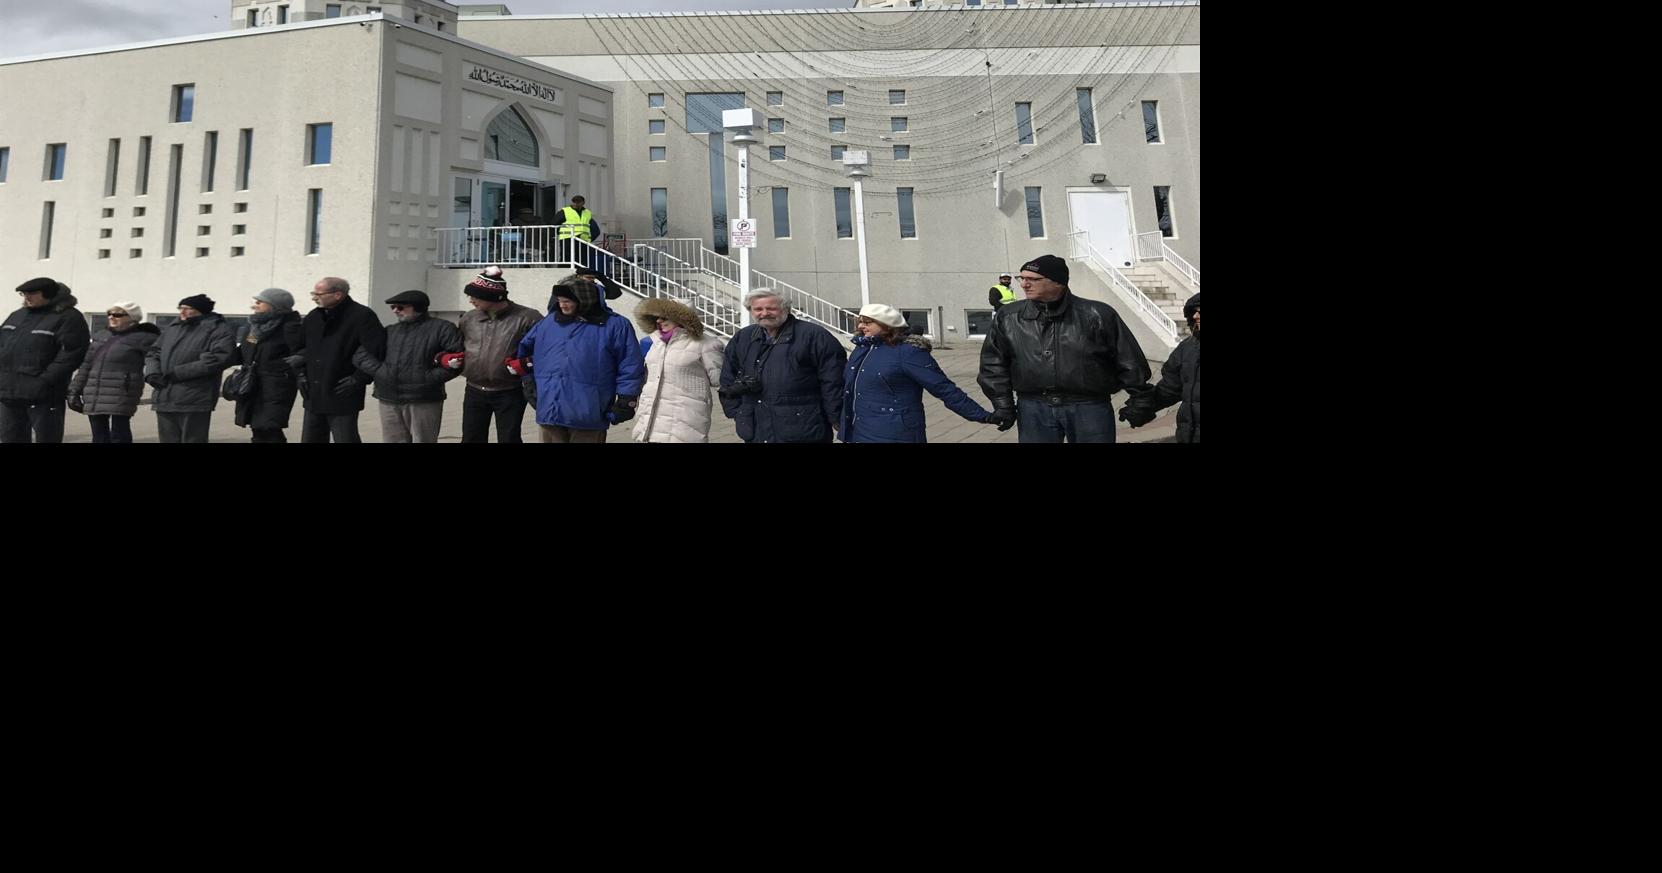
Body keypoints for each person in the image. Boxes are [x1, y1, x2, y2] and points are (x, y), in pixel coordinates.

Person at [977, 254, 1152, 443]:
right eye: (1022, 278)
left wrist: (1140, 399)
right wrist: (1003, 403)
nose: (1024, 284)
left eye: (1033, 279)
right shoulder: (1008, 316)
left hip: (1089, 408)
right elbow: (993, 364)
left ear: (1058, 282)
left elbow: (1128, 359)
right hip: (1033, 409)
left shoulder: (1098, 314)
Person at [513, 276, 644, 443]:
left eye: (567, 301)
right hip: (550, 410)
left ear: (583, 300)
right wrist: (528, 381)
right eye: (560, 300)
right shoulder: (549, 322)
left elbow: (630, 363)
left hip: (588, 412)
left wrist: (627, 398)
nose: (562, 305)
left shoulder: (615, 325)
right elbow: (524, 350)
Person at [840, 303, 994, 443]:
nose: (861, 326)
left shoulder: (908, 352)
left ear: (886, 325)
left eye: (867, 323)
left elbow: (943, 388)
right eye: (859, 322)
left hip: (895, 433)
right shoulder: (862, 348)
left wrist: (981, 415)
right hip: (859, 431)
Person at [719, 289, 845, 444]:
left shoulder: (813, 335)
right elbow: (728, 376)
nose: (764, 313)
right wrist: (736, 411)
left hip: (804, 427)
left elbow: (833, 380)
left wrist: (836, 416)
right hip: (756, 426)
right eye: (758, 309)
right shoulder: (744, 337)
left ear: (785, 309)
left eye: (771, 308)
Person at [353, 290, 464, 443]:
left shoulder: (443, 328)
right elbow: (361, 354)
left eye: (400, 307)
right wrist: (381, 371)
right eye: (393, 307)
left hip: (423, 398)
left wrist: (427, 378)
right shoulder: (390, 331)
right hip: (388, 397)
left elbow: (457, 360)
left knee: (423, 440)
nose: (395, 311)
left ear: (418, 308)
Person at [289, 277, 386, 443]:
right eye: (313, 293)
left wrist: (359, 378)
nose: (314, 297)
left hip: (342, 389)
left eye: (319, 293)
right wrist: (300, 374)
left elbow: (377, 351)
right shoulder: (313, 317)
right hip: (313, 390)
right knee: (311, 437)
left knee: (345, 437)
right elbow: (300, 349)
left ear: (337, 295)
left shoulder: (362, 316)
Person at [457, 266, 542, 442]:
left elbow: (547, 351)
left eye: (475, 296)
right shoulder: (469, 318)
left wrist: (526, 364)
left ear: (493, 297)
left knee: (509, 438)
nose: (471, 300)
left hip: (510, 391)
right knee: (471, 437)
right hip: (474, 389)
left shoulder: (528, 318)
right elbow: (456, 346)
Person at [0, 277, 89, 443]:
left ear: (48, 294)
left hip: (44, 394)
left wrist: (45, 380)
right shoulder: (17, 315)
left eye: (32, 293)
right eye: (24, 294)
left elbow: (72, 354)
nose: (27, 298)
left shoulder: (68, 317)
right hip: (9, 392)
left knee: (47, 438)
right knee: (9, 438)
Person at [144, 294, 237, 443]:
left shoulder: (218, 329)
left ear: (201, 311)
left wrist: (177, 373)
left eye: (187, 309)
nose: (182, 312)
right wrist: (152, 373)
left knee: (193, 439)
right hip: (164, 393)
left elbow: (219, 359)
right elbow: (154, 352)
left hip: (195, 396)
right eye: (180, 308)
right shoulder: (173, 328)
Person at [631, 297, 725, 443]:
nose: (658, 321)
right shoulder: (655, 342)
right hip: (649, 419)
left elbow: (719, 379)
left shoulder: (706, 344)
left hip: (684, 422)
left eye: (664, 317)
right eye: (657, 317)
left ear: (681, 318)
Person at [68, 301, 160, 444]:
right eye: (109, 314)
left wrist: (155, 377)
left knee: (119, 433)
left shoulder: (144, 338)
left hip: (122, 391)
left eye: (117, 314)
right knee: (99, 435)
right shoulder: (101, 336)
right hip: (94, 391)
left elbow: (155, 360)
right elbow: (86, 366)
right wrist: (74, 390)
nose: (111, 317)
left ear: (132, 318)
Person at [1120, 293, 1199, 442]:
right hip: (1189, 435)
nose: (1195, 316)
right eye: (1193, 311)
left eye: (1200, 311)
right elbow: (1170, 388)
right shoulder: (1187, 348)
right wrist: (1143, 407)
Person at [233, 288, 304, 443]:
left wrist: (286, 369)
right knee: (257, 427)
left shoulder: (290, 327)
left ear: (275, 305)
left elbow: (301, 353)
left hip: (276, 386)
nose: (255, 305)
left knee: (269, 428)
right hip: (251, 384)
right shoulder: (254, 328)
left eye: (260, 302)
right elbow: (246, 351)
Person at [557, 194, 599, 267]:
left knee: (581, 261)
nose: (575, 204)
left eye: (578, 202)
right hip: (567, 239)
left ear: (583, 203)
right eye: (574, 202)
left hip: (582, 240)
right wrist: (559, 233)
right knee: (567, 260)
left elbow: (596, 230)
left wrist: (589, 239)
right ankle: (564, 274)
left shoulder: (587, 213)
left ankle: (580, 275)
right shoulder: (565, 211)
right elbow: (554, 224)